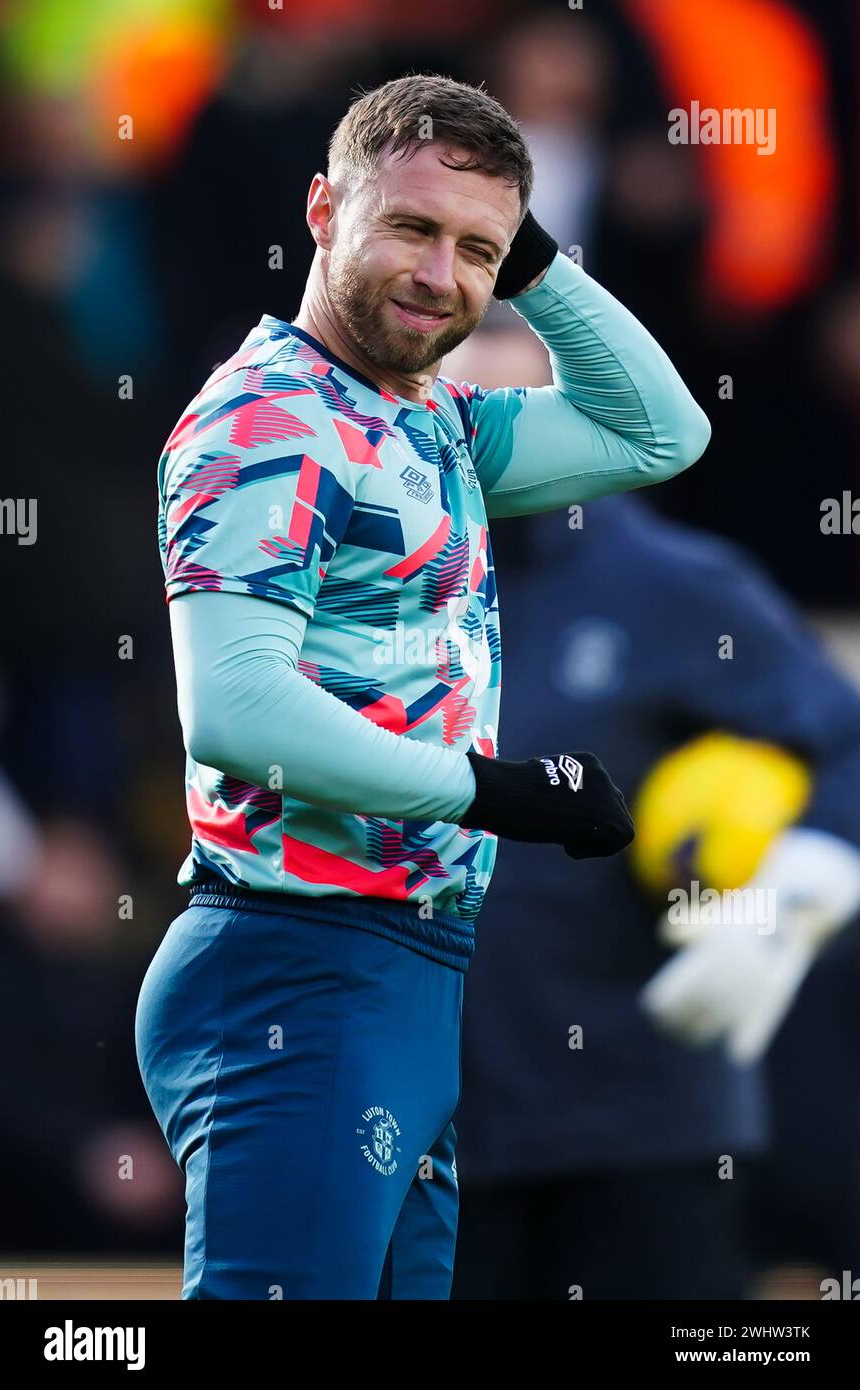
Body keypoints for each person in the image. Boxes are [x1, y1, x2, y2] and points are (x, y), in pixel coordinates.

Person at [135, 73, 710, 1300]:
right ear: (321, 207)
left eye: (475, 252)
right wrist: (489, 791)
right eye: (408, 226)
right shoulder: (268, 420)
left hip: (402, 965)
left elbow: (663, 432)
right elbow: (233, 710)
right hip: (293, 959)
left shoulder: (430, 419)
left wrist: (534, 261)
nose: (441, 276)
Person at [449, 494, 860, 1299]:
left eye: (478, 352)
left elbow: (845, 749)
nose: (461, 371)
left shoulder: (674, 581)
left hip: (643, 1132)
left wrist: (780, 909)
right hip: (427, 1129)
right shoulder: (367, 575)